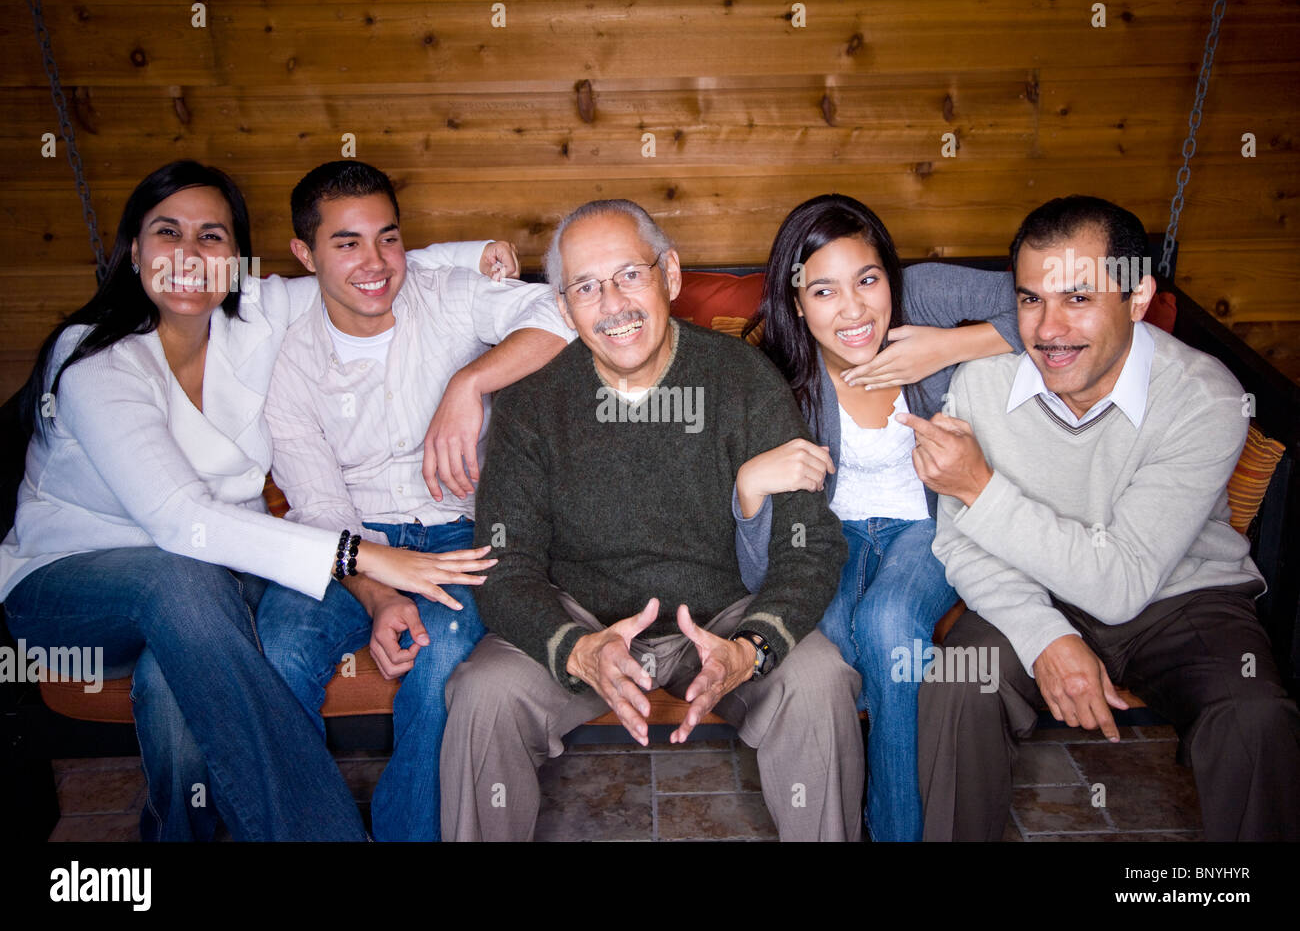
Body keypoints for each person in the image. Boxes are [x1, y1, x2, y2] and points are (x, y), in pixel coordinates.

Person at [0, 160, 503, 841]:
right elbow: (180, 523)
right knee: (175, 581)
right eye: (166, 233)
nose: (188, 255)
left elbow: (363, 263)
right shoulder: (93, 361)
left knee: (175, 687)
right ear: (133, 249)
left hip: (206, 593)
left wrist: (474, 256)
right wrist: (367, 559)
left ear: (235, 259)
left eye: (211, 237)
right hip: (72, 590)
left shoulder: (256, 315)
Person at [440, 198, 864, 841]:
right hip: (583, 616)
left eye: (629, 276)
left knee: (820, 679)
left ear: (669, 275)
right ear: (563, 307)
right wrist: (578, 650)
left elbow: (808, 544)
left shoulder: (743, 380)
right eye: (586, 286)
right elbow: (507, 564)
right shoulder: (530, 403)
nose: (612, 304)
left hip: (723, 615)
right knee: (482, 694)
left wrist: (749, 651)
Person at [913, 194, 1300, 841]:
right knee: (959, 680)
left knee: (1254, 715)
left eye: (1078, 298)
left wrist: (980, 485)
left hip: (1182, 593)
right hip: (1029, 584)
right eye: (1031, 299)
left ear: (1139, 297)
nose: (1047, 328)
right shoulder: (981, 382)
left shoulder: (1206, 397)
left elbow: (1120, 581)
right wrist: (1044, 635)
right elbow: (960, 542)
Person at [255, 160, 572, 841]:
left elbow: (561, 315)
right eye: (347, 244)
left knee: (443, 653)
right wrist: (376, 589)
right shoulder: (287, 357)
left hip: (458, 530)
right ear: (306, 255)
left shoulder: (448, 293)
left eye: (388, 239)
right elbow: (317, 505)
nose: (375, 263)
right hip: (349, 539)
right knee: (278, 647)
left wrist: (468, 382)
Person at [734, 193, 1020, 841]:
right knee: (832, 631)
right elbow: (762, 566)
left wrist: (946, 347)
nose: (856, 309)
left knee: (891, 622)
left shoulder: (923, 299)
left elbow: (1047, 307)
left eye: (867, 280)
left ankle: (896, 829)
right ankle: (851, 805)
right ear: (798, 303)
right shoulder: (772, 380)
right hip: (832, 535)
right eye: (825, 291)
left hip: (928, 525)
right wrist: (752, 484)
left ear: (890, 274)